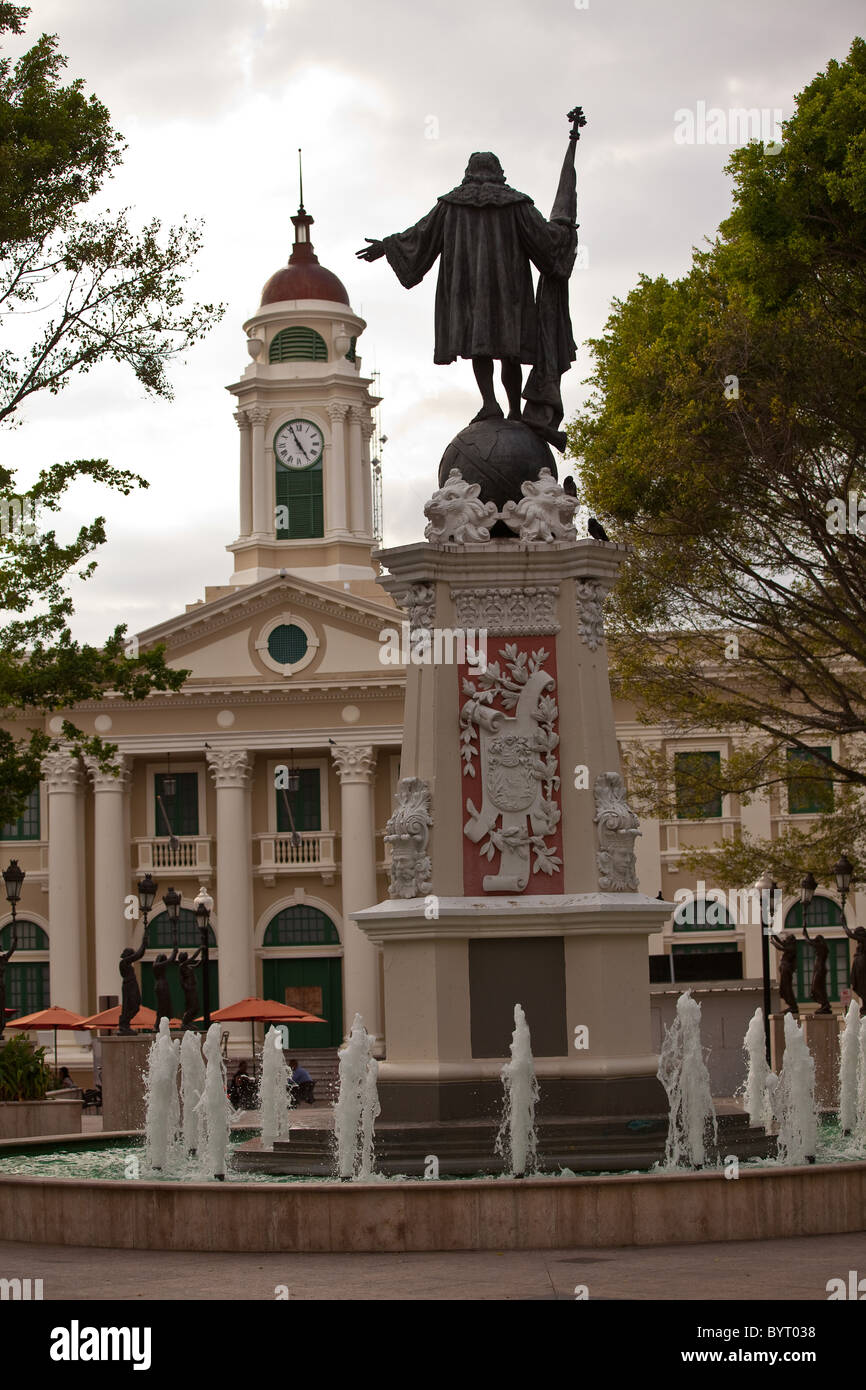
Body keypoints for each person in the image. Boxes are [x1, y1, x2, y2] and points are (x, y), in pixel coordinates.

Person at [357, 112, 584, 450]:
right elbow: (545, 241)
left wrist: (387, 246)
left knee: (480, 348)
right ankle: (513, 409)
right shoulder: (515, 203)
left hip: (470, 295)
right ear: (498, 174)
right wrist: (563, 231)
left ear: (469, 175)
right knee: (508, 351)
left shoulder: (452, 205)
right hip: (510, 294)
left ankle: (490, 402)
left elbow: (421, 236)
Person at [770, 931, 799, 1014]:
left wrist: (773, 943)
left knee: (787, 988)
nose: (785, 940)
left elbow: (781, 948)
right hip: (784, 969)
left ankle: (793, 1007)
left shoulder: (792, 948)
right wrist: (772, 933)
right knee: (783, 989)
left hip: (786, 970)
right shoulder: (789, 945)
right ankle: (791, 1006)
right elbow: (780, 942)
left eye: (787, 939)